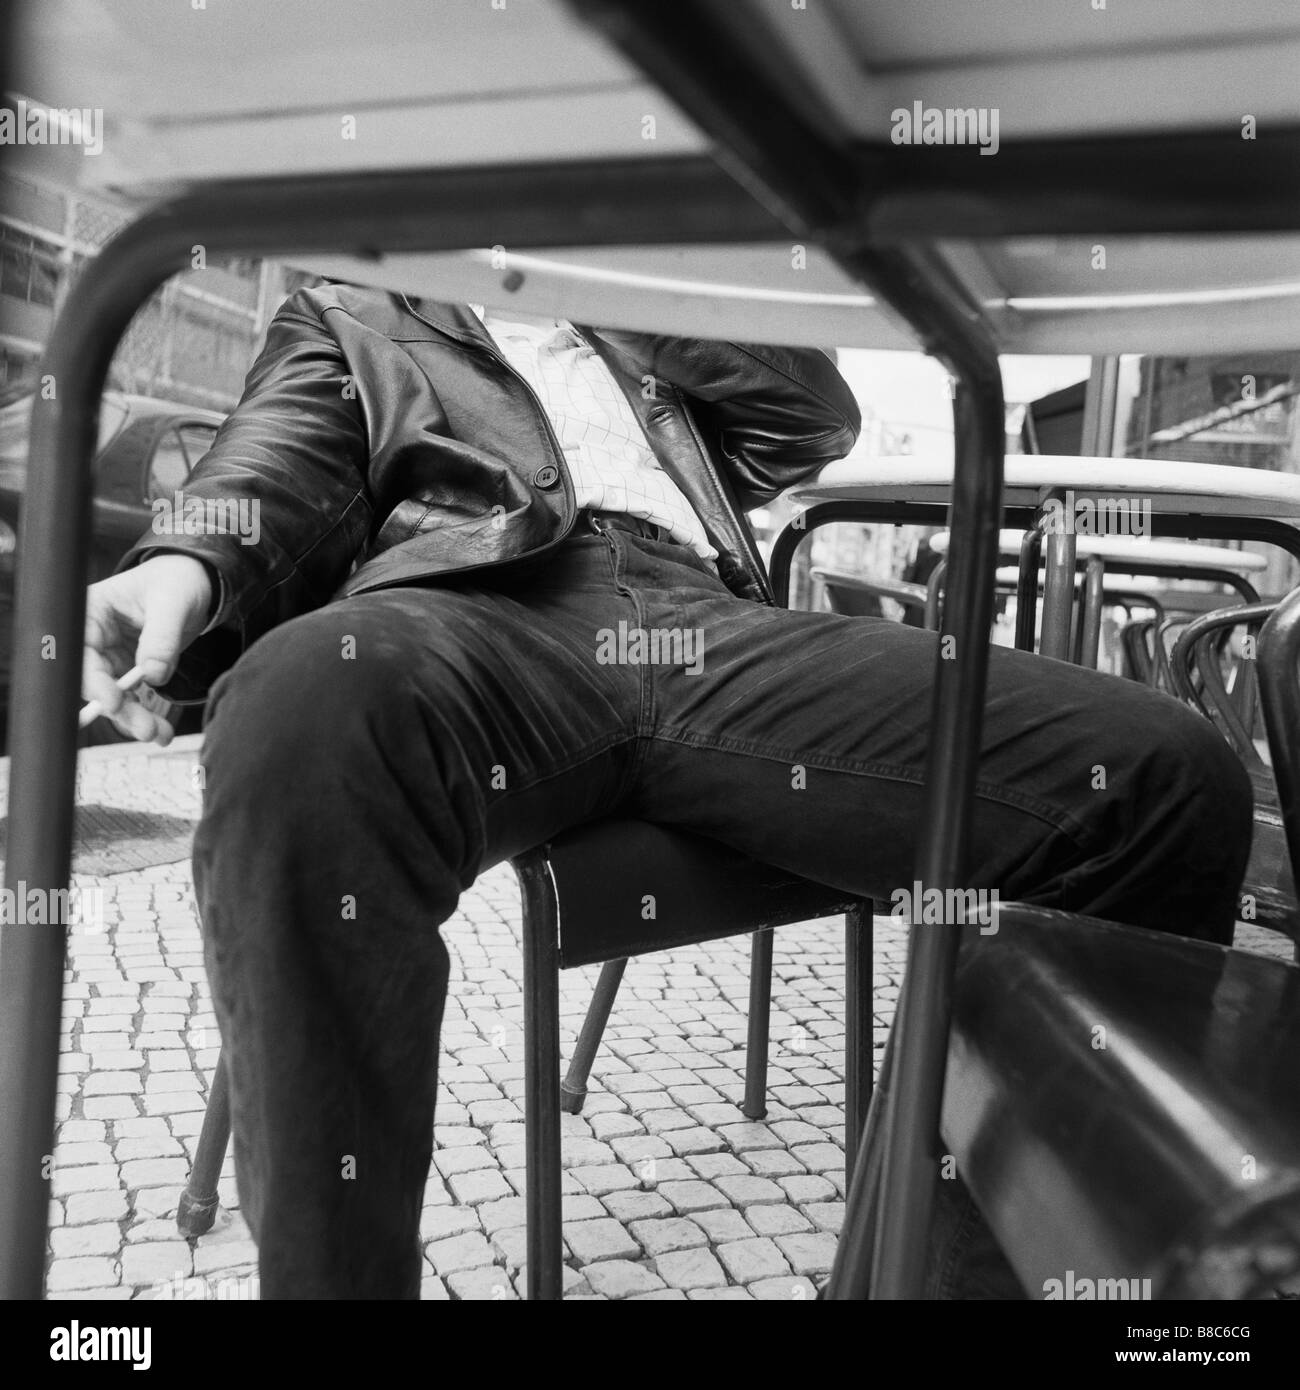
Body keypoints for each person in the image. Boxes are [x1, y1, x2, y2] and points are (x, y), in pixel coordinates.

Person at [82, 283, 1252, 1298]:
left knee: (1158, 778)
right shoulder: (360, 305)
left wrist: (609, 276)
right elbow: (272, 455)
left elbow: (816, 412)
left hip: (706, 628)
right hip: (477, 612)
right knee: (298, 711)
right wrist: (184, 560)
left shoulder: (643, 330)